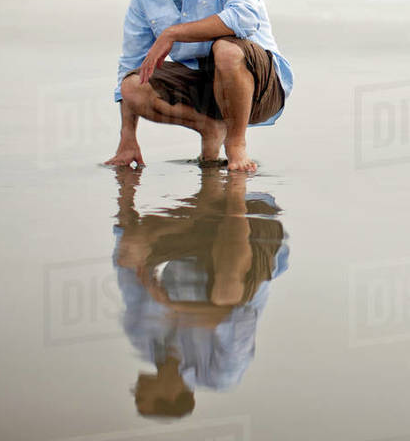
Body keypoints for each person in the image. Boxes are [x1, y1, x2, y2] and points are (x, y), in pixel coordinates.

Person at [104, 0, 293, 172]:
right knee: (132, 86)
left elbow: (244, 17)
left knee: (226, 50)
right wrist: (127, 137)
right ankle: (209, 128)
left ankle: (236, 145)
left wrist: (173, 33)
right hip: (202, 84)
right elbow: (132, 61)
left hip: (259, 86)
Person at [112, 165, 289, 417]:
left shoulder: (141, 336)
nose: (134, 390)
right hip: (253, 252)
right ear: (172, 396)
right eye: (142, 396)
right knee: (225, 295)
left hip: (192, 245)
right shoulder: (221, 374)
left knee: (128, 255)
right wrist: (175, 308)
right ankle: (237, 195)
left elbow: (127, 273)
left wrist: (131, 237)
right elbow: (238, 316)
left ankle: (132, 182)